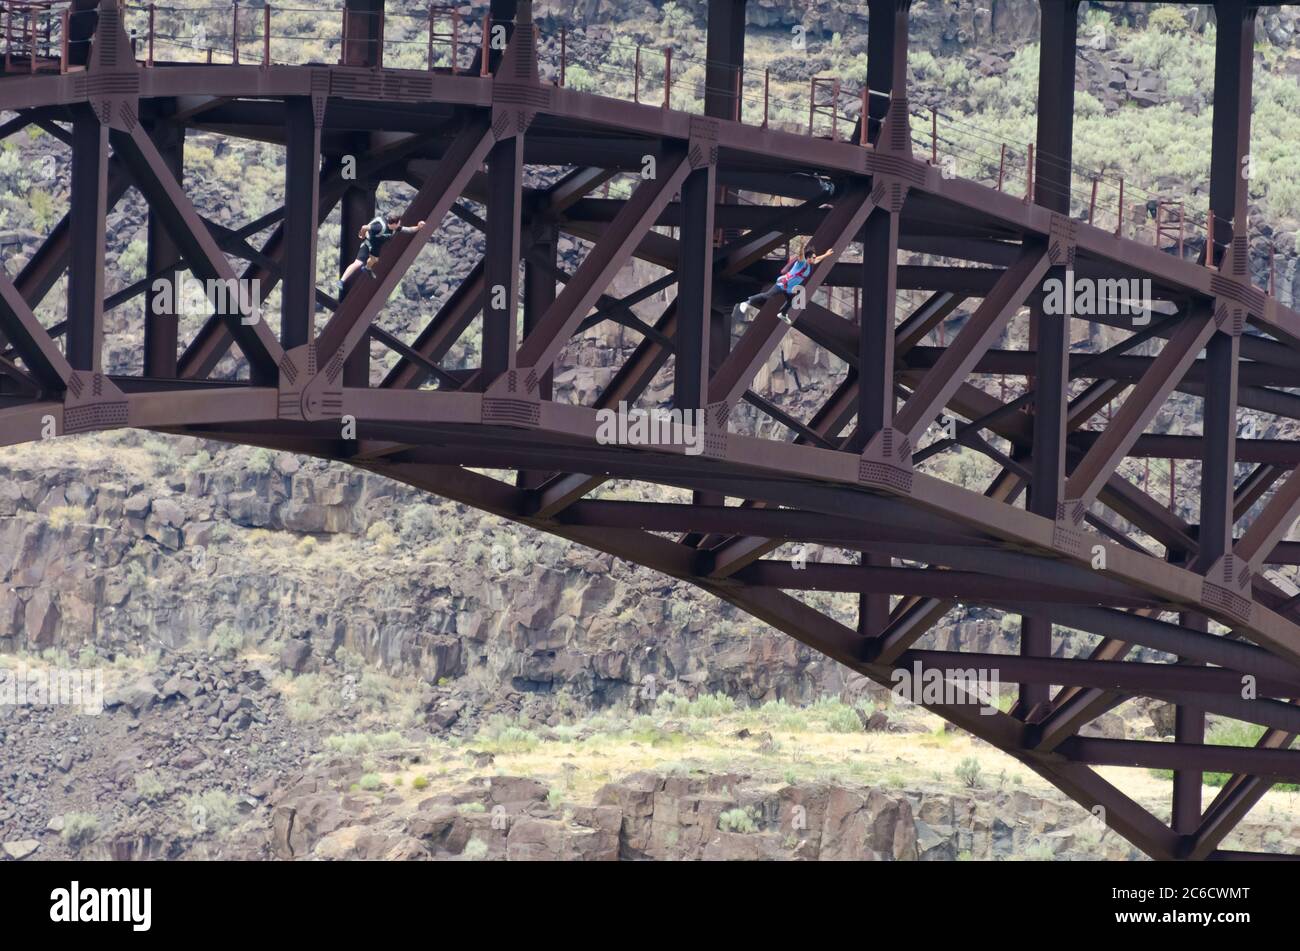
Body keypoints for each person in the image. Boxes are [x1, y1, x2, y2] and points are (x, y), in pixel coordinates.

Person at [736, 243, 835, 325]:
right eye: (813, 257)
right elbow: (801, 256)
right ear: (808, 258)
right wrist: (801, 248)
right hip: (783, 284)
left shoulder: (809, 265)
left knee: (791, 301)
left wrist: (826, 254)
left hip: (789, 288)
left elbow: (818, 259)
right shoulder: (802, 263)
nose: (815, 258)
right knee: (767, 295)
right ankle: (747, 302)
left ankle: (782, 314)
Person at [336, 214, 426, 290]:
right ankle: (342, 281)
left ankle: (367, 268)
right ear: (394, 224)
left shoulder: (394, 228)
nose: (400, 224)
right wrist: (362, 235)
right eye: (398, 223)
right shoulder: (379, 227)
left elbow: (408, 230)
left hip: (376, 245)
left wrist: (418, 227)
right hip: (368, 243)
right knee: (358, 263)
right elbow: (364, 227)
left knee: (374, 260)